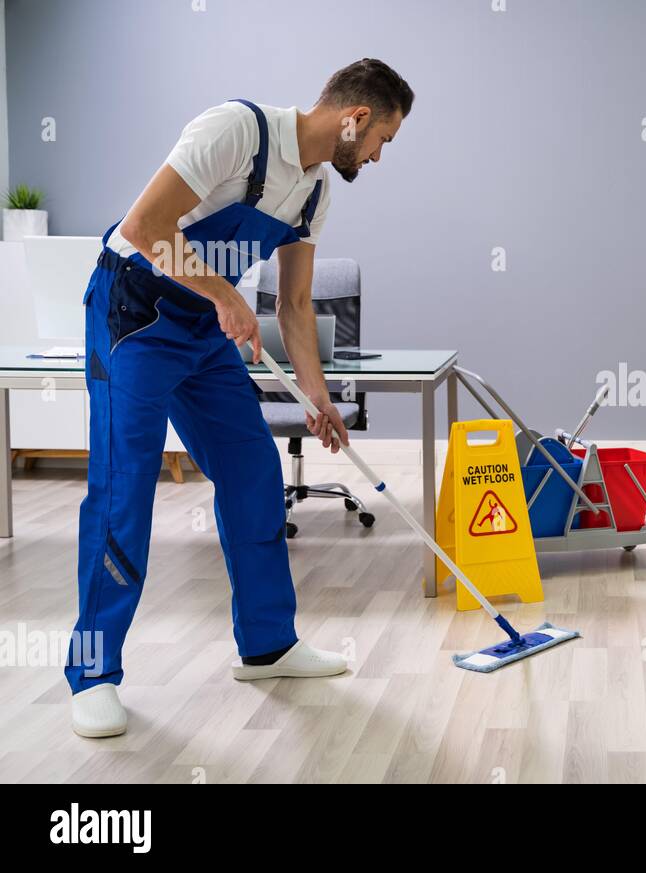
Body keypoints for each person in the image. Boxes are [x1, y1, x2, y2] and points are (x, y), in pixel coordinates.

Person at [66, 59, 414, 738]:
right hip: (132, 316)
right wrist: (225, 293)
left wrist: (318, 399)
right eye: (383, 142)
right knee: (123, 489)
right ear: (358, 118)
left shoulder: (315, 193)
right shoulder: (235, 131)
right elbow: (144, 226)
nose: (377, 158)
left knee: (255, 471)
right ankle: (93, 674)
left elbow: (294, 303)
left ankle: (268, 643)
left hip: (201, 331)